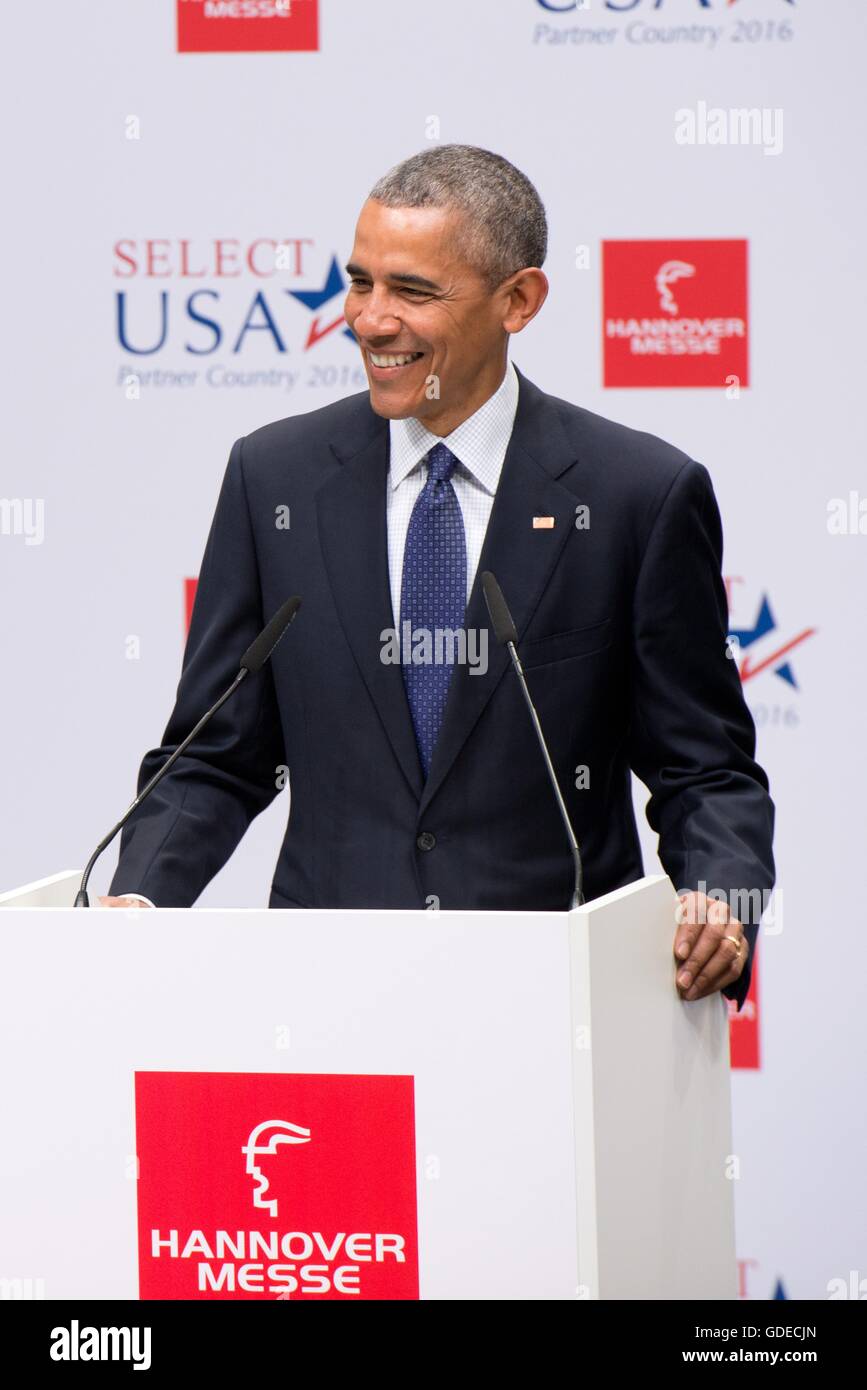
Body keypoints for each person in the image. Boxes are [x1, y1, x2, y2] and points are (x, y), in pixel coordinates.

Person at [102, 144, 774, 1010]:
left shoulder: (635, 495)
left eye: (413, 292)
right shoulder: (274, 480)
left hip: (555, 1005)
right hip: (324, 1002)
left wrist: (720, 895)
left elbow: (703, 770)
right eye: (360, 283)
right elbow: (215, 757)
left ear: (518, 301)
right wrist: (140, 898)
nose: (372, 321)